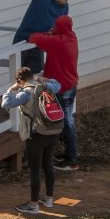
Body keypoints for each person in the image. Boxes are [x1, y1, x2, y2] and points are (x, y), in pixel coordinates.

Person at [0, 66, 66, 217]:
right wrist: (42, 79)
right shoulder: (45, 86)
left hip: (36, 135)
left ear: (20, 80)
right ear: (32, 76)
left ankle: (33, 204)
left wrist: (10, 90)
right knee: (48, 165)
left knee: (35, 170)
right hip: (53, 131)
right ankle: (48, 199)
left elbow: (6, 104)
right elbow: (58, 85)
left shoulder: (26, 92)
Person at [28, 15, 81, 171]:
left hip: (61, 88)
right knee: (66, 121)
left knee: (65, 123)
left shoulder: (57, 42)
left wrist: (49, 33)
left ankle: (71, 159)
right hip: (71, 86)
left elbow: (33, 37)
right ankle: (67, 154)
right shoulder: (71, 37)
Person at [15, 0, 68, 74]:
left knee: (35, 75)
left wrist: (51, 34)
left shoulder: (65, 8)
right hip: (22, 40)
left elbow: (61, 28)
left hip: (38, 45)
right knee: (20, 75)